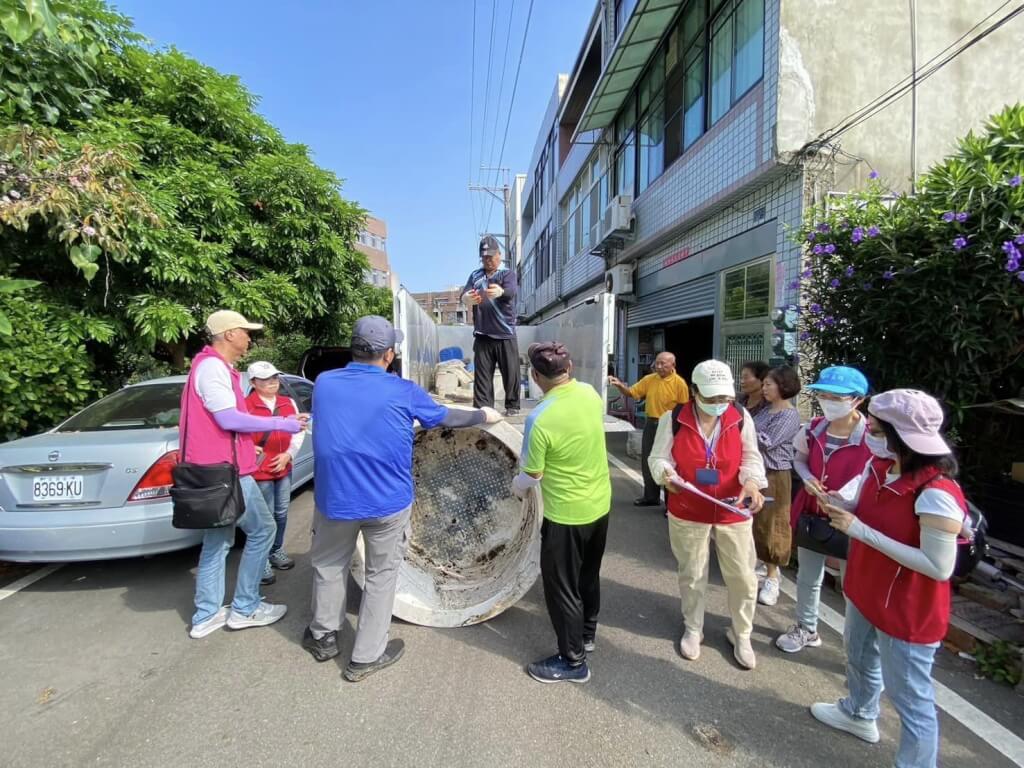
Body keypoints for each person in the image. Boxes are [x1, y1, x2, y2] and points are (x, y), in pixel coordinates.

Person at [303, 315, 502, 681]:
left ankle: (323, 636)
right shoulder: (403, 391)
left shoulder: (324, 384)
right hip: (387, 503)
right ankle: (365, 656)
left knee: (329, 566)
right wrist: (482, 413)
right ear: (389, 354)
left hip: (335, 500)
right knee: (381, 576)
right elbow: (445, 417)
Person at [811, 389, 967, 768]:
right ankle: (859, 713)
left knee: (910, 698)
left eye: (878, 431)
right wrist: (839, 502)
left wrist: (859, 530)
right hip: (867, 589)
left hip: (906, 610)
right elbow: (862, 506)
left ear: (902, 437)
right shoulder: (881, 467)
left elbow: (938, 566)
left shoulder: (937, 493)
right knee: (859, 655)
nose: (870, 435)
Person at [184, 310, 307, 639]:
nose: (248, 337)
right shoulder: (212, 368)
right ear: (227, 335)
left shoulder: (212, 367)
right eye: (244, 331)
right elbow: (229, 419)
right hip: (226, 471)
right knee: (264, 529)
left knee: (218, 541)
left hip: (214, 467)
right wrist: (283, 423)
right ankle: (245, 607)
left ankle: (206, 614)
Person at [649, 359, 767, 669]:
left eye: (724, 398)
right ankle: (693, 628)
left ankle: (742, 634)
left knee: (743, 576)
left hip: (733, 510)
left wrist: (752, 483)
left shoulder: (740, 417)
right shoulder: (673, 418)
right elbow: (658, 458)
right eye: (712, 398)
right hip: (688, 508)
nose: (719, 404)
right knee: (693, 573)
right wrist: (666, 476)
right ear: (694, 392)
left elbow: (752, 458)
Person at [513, 342, 611, 684]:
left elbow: (532, 475)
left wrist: (515, 486)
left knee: (562, 588)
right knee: (588, 575)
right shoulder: (589, 395)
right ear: (569, 370)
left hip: (566, 515)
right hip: (600, 506)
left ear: (536, 376)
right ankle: (586, 635)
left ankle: (573, 662)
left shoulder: (539, 418)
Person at [776, 366, 870, 653]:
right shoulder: (814, 428)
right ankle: (806, 628)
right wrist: (808, 479)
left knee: (854, 585)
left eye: (836, 397)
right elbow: (800, 460)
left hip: (854, 518)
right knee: (808, 575)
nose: (828, 400)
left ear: (858, 400)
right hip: (813, 511)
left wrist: (847, 495)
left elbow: (875, 473)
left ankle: (858, 647)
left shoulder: (873, 437)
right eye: (824, 394)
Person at [245, 361, 306, 583]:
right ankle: (261, 562)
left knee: (281, 513)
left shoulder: (287, 402)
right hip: (259, 472)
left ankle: (276, 550)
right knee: (264, 518)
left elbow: (299, 431)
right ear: (253, 383)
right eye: (265, 379)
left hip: (283, 468)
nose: (272, 382)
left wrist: (288, 455)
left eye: (274, 378)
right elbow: (239, 437)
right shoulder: (245, 406)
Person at [608, 352, 690, 507]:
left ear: (673, 365)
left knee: (669, 462)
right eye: (657, 363)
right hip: (651, 423)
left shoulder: (680, 384)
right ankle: (650, 496)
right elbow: (632, 393)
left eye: (663, 364)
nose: (659, 367)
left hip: (670, 426)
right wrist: (619, 385)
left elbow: (684, 409)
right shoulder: (650, 379)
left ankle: (670, 503)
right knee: (648, 460)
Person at [752, 365, 802, 606]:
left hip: (774, 475)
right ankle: (763, 564)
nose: (764, 388)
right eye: (764, 384)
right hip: (757, 472)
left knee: (773, 524)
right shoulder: (766, 410)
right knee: (756, 520)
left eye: (769, 384)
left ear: (783, 386)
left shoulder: (789, 415)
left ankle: (773, 577)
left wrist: (744, 431)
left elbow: (766, 442)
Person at [461, 234, 520, 416]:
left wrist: (501, 291)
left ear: (499, 255)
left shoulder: (507, 274)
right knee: (483, 376)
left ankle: (512, 406)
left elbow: (511, 291)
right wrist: (467, 298)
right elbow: (464, 295)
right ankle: (484, 409)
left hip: (505, 333)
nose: (488, 260)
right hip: (482, 333)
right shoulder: (475, 275)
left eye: (492, 256)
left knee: (510, 373)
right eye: (485, 257)